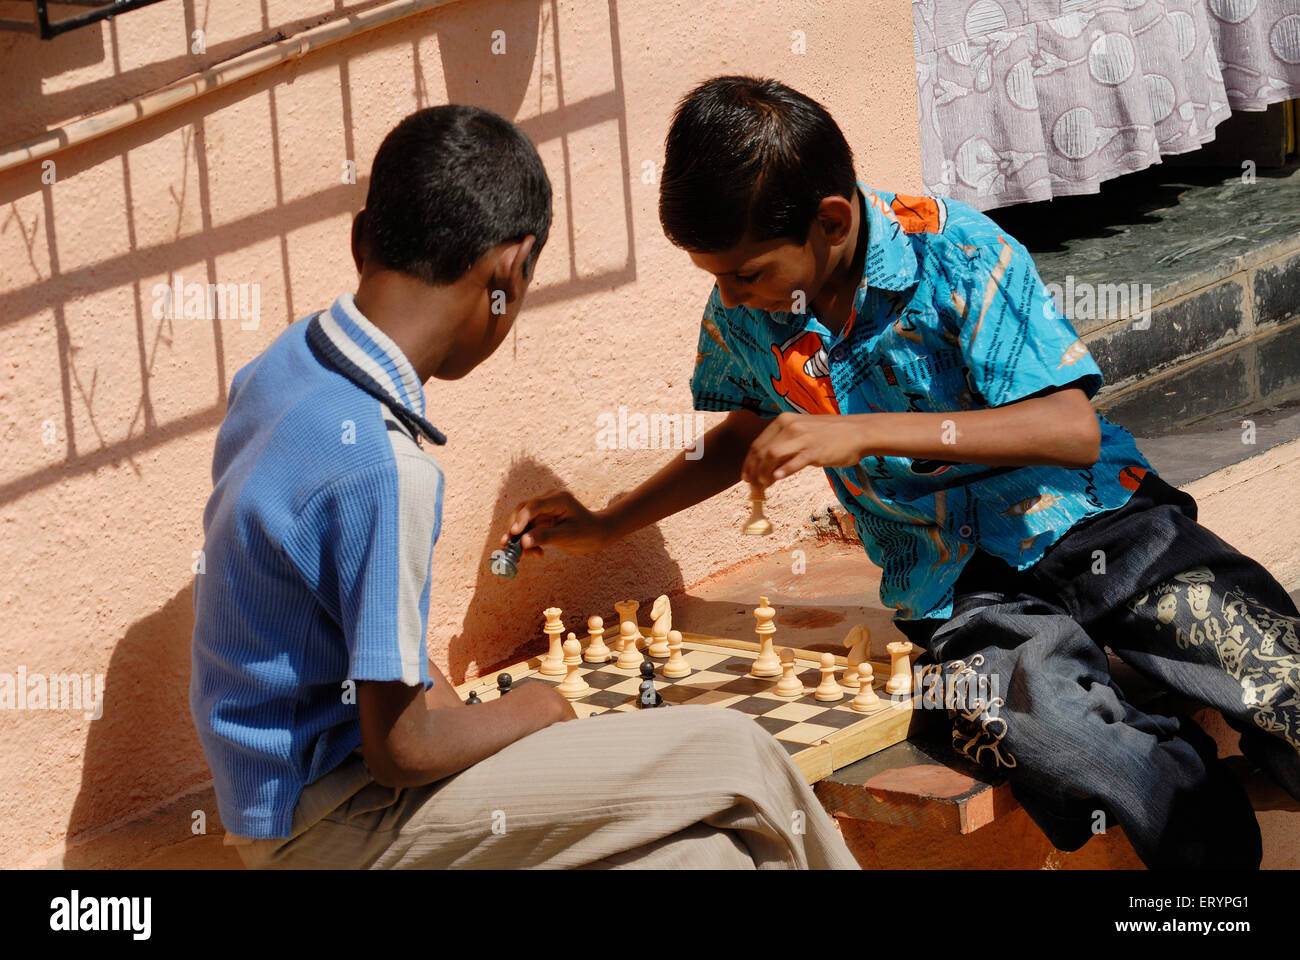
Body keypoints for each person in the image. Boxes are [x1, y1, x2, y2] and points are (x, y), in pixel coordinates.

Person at [504, 76, 1300, 869]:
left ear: (833, 221)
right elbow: (745, 426)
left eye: (744, 273)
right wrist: (609, 523)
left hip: (1102, 525)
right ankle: (1214, 854)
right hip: (959, 590)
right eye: (713, 276)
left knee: (1275, 674)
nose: (728, 296)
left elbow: (1069, 429)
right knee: (1058, 735)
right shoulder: (745, 313)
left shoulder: (956, 252)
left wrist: (857, 432)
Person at [189, 103, 859, 870]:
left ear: (360, 237)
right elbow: (402, 749)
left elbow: (346, 624)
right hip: (330, 821)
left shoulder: (285, 369)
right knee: (737, 752)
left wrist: (448, 699)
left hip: (276, 803)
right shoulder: (384, 466)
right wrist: (539, 706)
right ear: (512, 270)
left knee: (709, 860)